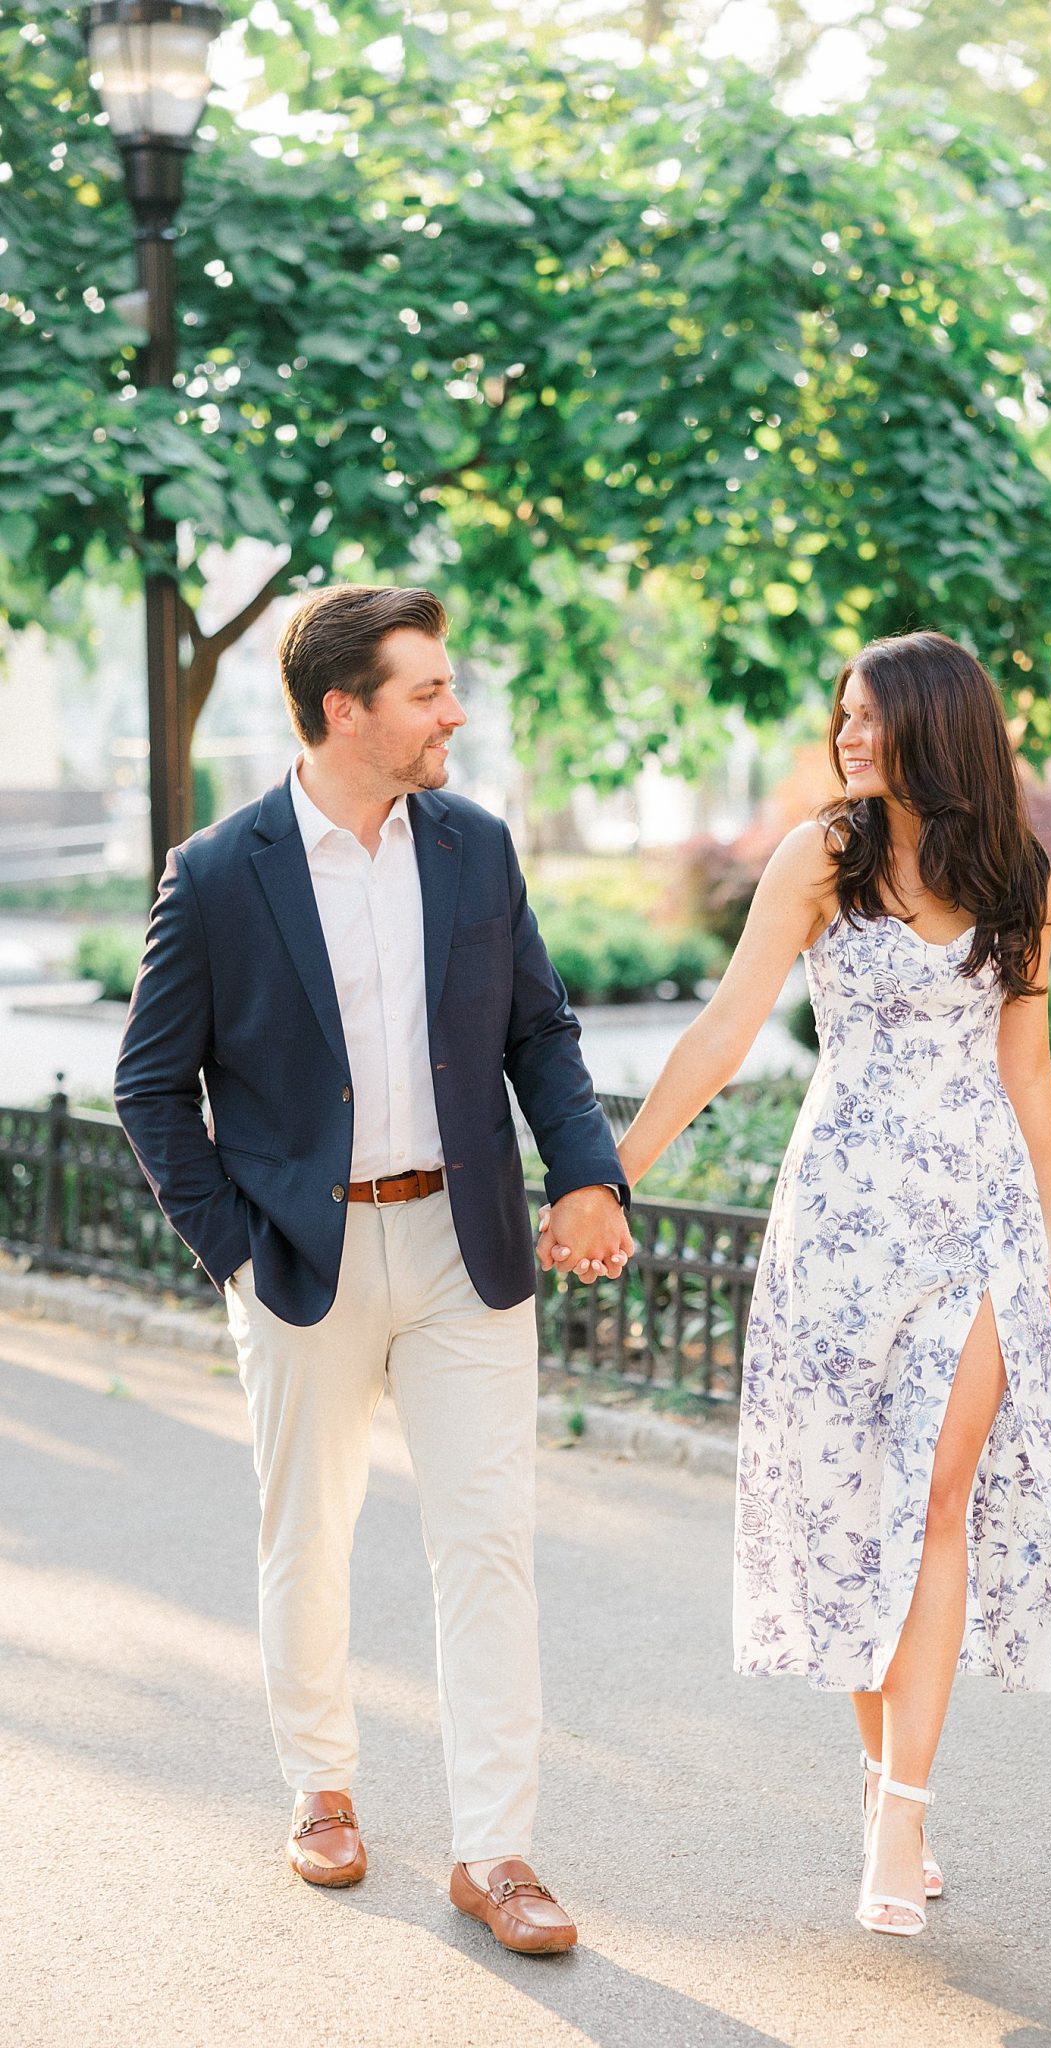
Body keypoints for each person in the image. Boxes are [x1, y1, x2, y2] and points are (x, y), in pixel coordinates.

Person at [545, 630, 1051, 1938]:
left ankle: (902, 1814)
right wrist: (611, 1172)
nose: (848, 734)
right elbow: (725, 1024)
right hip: (836, 1222)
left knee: (933, 1500)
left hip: (972, 1226)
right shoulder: (822, 855)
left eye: (870, 715)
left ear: (938, 724)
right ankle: (882, 1781)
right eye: (842, 714)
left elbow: (1025, 1066)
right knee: (856, 1512)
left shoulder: (1014, 876)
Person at [115, 584, 633, 1955]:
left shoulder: (473, 846)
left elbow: (541, 1032)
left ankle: (495, 1853)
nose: (451, 712)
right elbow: (149, 1087)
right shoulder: (222, 872)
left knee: (488, 1547)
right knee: (312, 1537)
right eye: (426, 692)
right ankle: (321, 1790)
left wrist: (583, 1169)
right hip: (305, 1254)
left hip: (466, 1249)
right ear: (346, 710)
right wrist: (236, 1248)